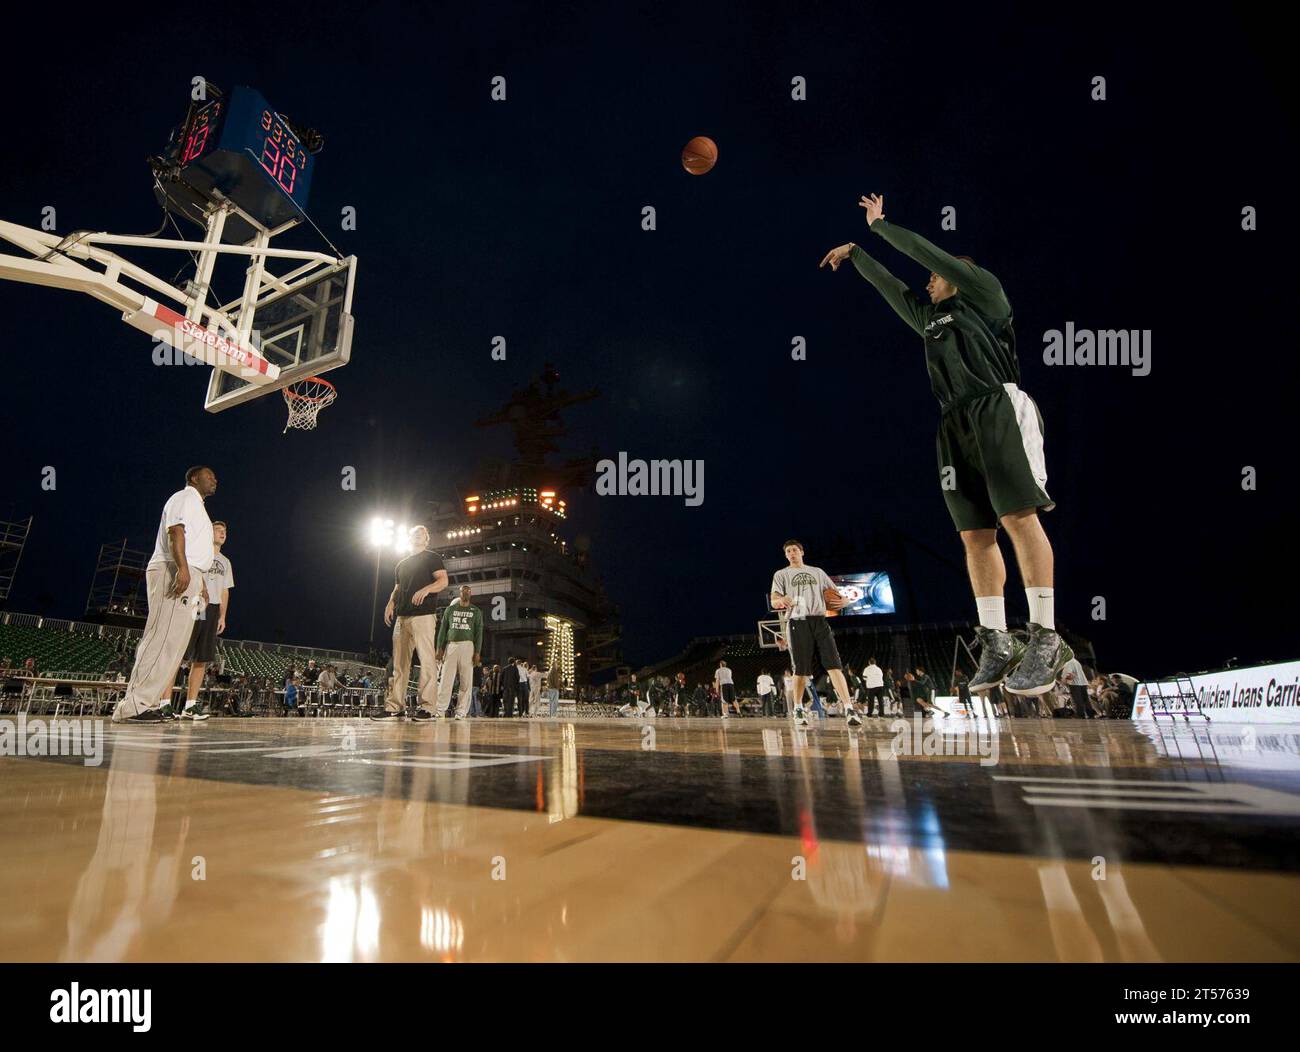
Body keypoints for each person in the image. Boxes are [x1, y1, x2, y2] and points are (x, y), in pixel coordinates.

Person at [822, 198, 1072, 698]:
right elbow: (895, 291)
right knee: (974, 535)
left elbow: (927, 253)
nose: (928, 282)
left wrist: (880, 228)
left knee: (1019, 518)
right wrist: (857, 256)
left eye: (936, 276)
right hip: (953, 423)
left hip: (997, 409)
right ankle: (997, 639)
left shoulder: (986, 298)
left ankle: (1046, 635)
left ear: (958, 275)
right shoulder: (932, 320)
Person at [112, 466, 216, 724]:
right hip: (175, 568)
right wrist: (182, 568)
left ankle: (146, 702)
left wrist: (200, 582)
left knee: (175, 644)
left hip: (191, 572)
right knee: (162, 638)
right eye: (209, 475)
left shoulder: (199, 506)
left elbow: (193, 545)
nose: (215, 479)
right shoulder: (183, 497)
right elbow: (176, 531)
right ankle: (133, 705)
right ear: (194, 477)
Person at [769, 540, 862, 728]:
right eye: (788, 551)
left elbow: (835, 594)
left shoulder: (817, 572)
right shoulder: (781, 574)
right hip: (798, 620)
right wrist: (781, 600)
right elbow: (773, 601)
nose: (792, 553)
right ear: (786, 555)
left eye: (795, 549)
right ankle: (798, 708)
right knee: (801, 669)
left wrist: (844, 600)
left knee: (834, 665)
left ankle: (849, 708)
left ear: (802, 552)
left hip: (819, 620)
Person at [372, 525, 448, 720]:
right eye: (414, 532)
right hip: (402, 616)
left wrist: (426, 589)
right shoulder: (401, 564)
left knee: (427, 661)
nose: (417, 535)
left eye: (421, 533)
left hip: (424, 615)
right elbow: (397, 588)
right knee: (399, 664)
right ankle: (395, 706)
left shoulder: (432, 557)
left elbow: (443, 581)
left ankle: (428, 707)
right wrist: (390, 602)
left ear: (427, 538)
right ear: (408, 538)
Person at [174, 519, 235, 721]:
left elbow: (225, 590)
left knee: (202, 657)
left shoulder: (226, 562)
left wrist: (223, 616)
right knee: (181, 653)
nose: (222, 533)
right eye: (218, 529)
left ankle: (190, 706)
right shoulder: (200, 553)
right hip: (198, 603)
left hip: (214, 608)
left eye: (224, 530)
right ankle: (164, 702)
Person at [434, 585, 482, 720]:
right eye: (463, 591)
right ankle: (440, 709)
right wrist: (439, 648)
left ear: (471, 594)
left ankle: (461, 711)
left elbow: (479, 634)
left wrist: (477, 652)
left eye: (468, 591)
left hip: (468, 645)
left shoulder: (476, 611)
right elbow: (442, 631)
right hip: (451, 645)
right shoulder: (450, 610)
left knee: (466, 680)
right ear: (459, 593)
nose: (466, 593)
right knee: (445, 679)